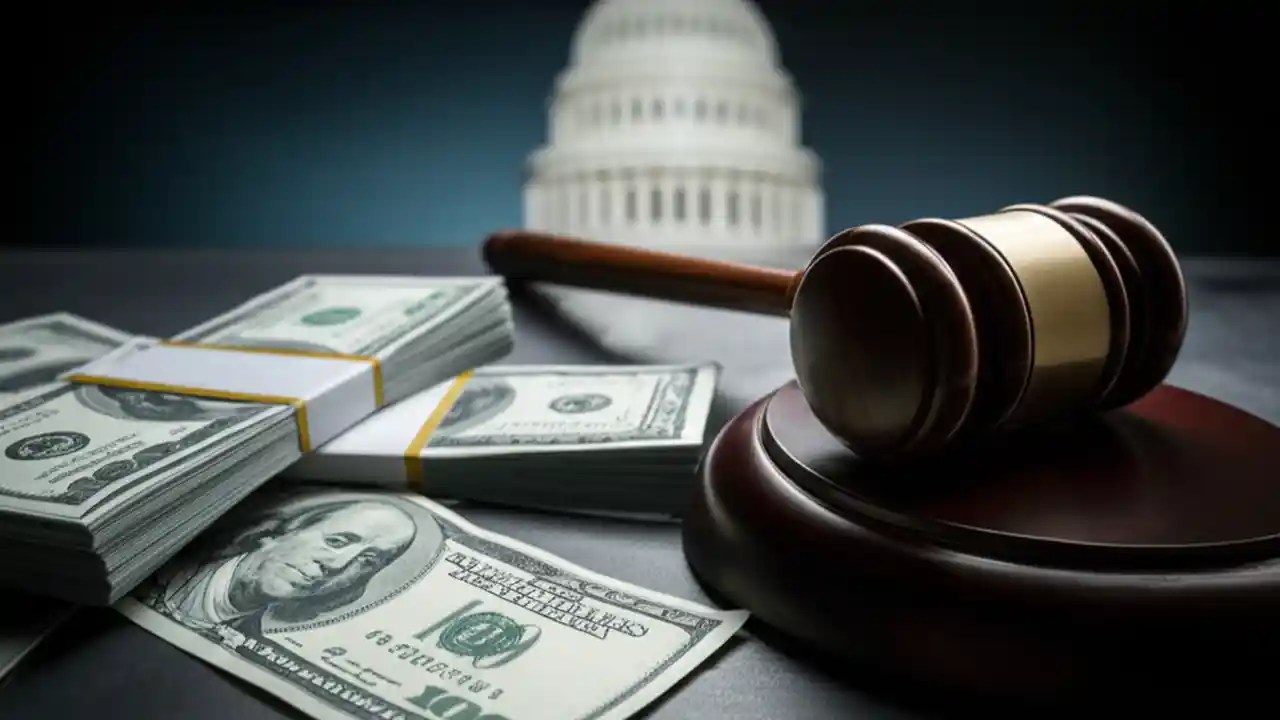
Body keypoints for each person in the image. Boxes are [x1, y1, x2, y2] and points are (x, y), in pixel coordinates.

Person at [154, 498, 417, 632]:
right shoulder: (164, 564)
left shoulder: (253, 641)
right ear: (288, 530)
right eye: (337, 541)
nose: (338, 565)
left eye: (367, 561)